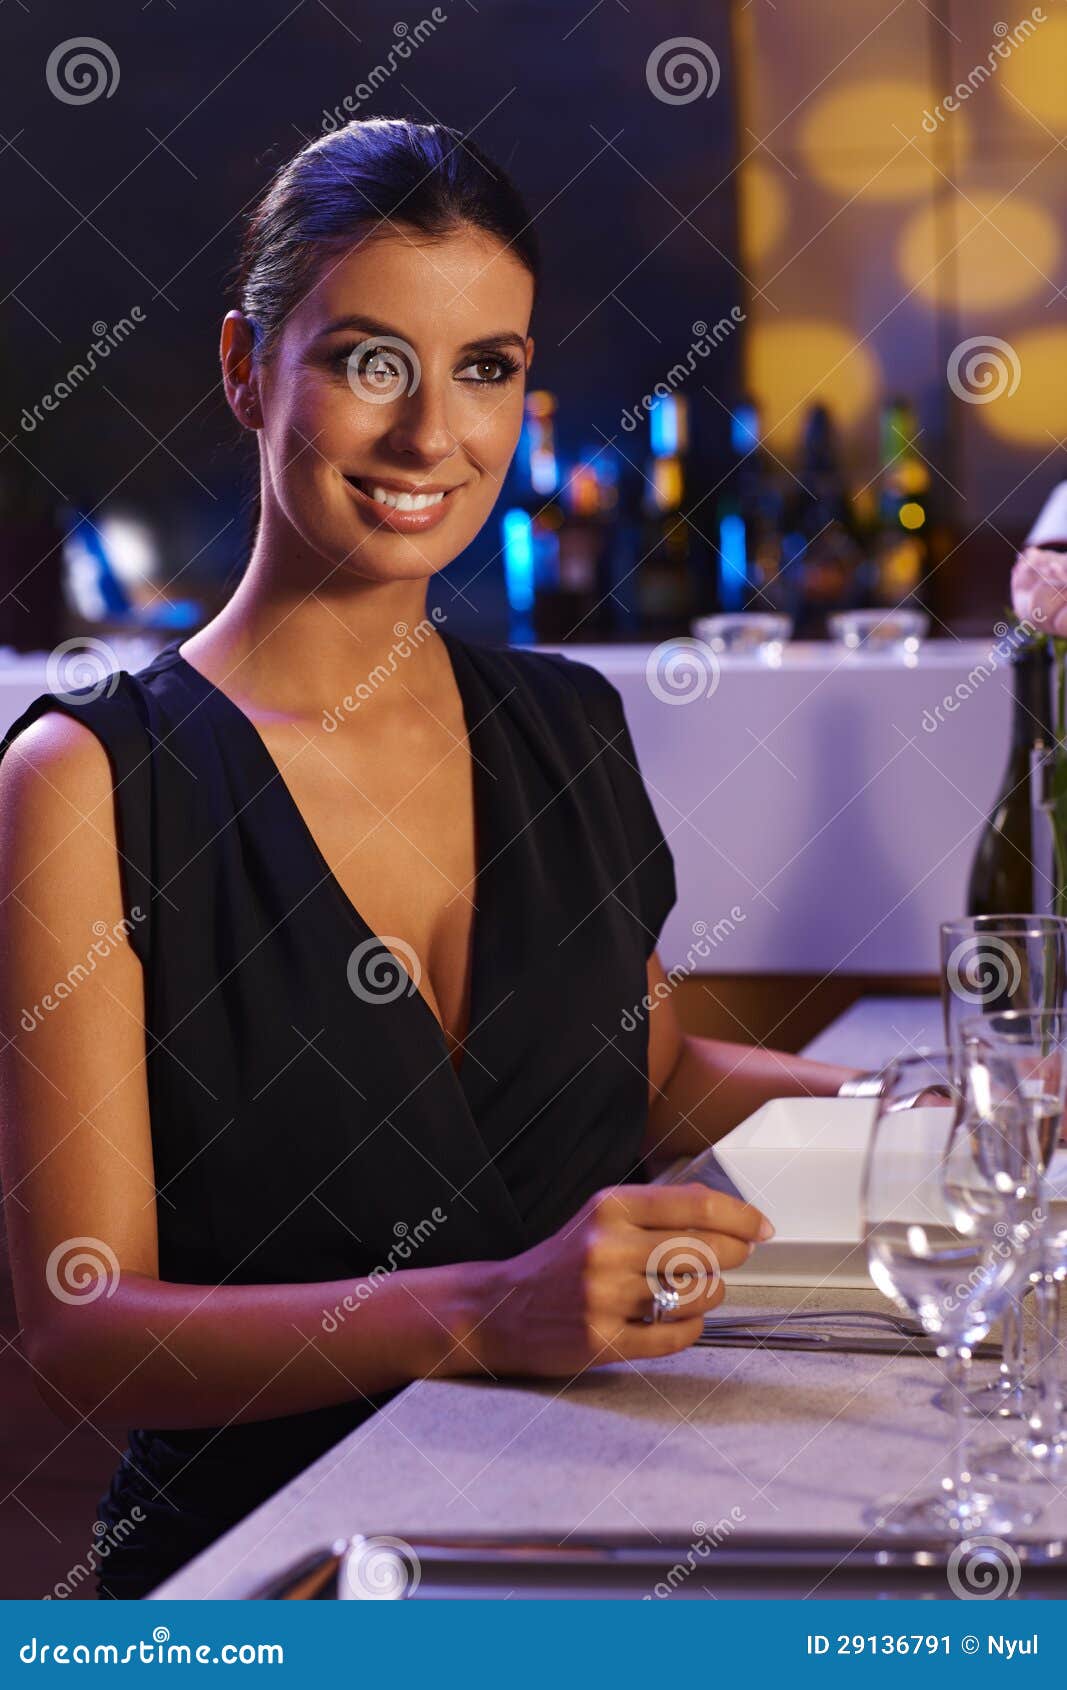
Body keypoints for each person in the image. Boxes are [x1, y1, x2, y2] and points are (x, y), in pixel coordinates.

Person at [0, 117, 856, 1599]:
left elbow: (645, 1073)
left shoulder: (566, 725)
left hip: (585, 1522)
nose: (431, 437)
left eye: (487, 369)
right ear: (246, 368)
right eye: (369, 361)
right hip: (267, 1573)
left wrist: (950, 1108)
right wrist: (485, 1311)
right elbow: (82, 1328)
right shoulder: (86, 783)